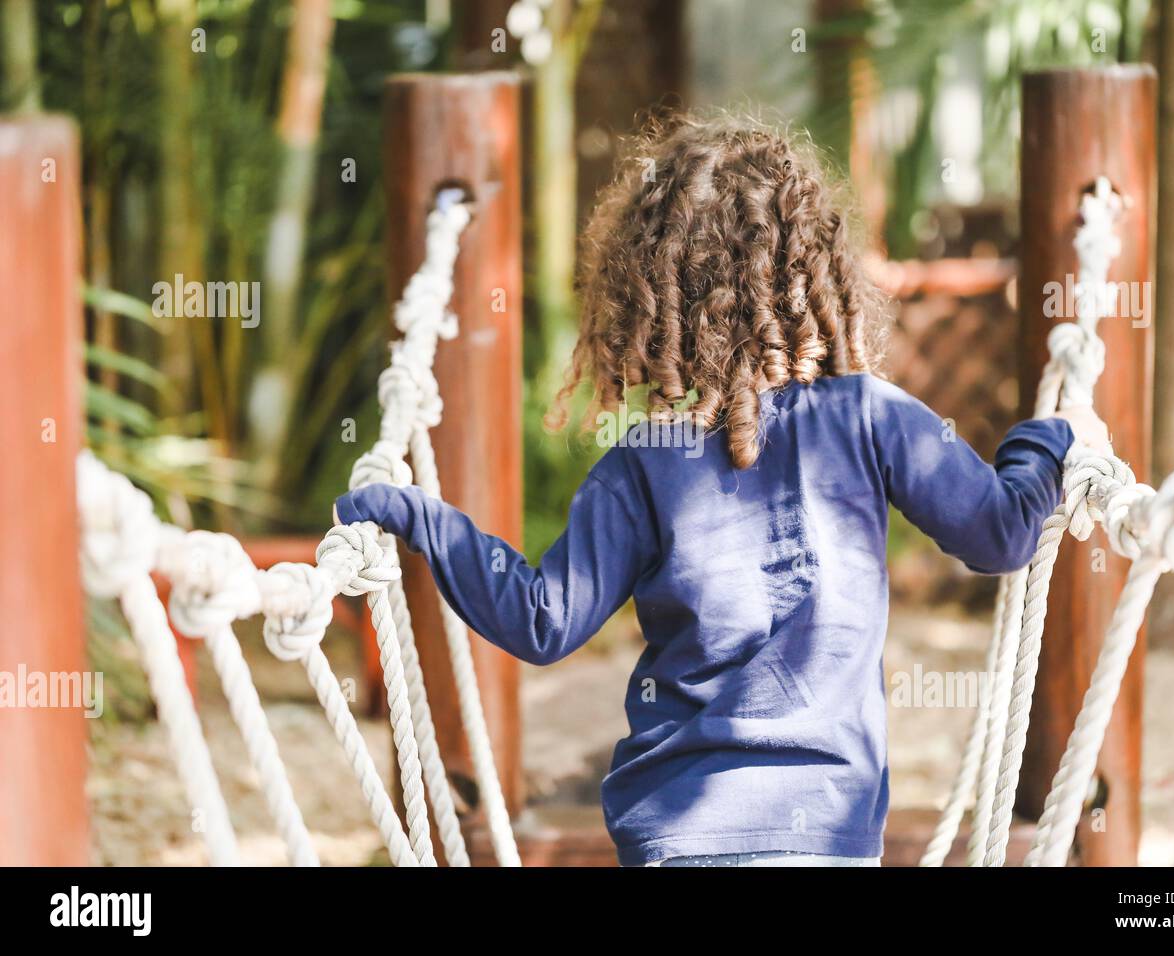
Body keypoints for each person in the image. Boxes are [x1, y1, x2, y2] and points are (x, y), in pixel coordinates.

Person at [335, 114, 1108, 867]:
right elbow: (1001, 535)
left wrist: (424, 519)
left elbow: (542, 620)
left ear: (645, 294)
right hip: (826, 831)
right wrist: (1051, 436)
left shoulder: (644, 461)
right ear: (818, 272)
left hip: (676, 834)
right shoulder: (873, 417)